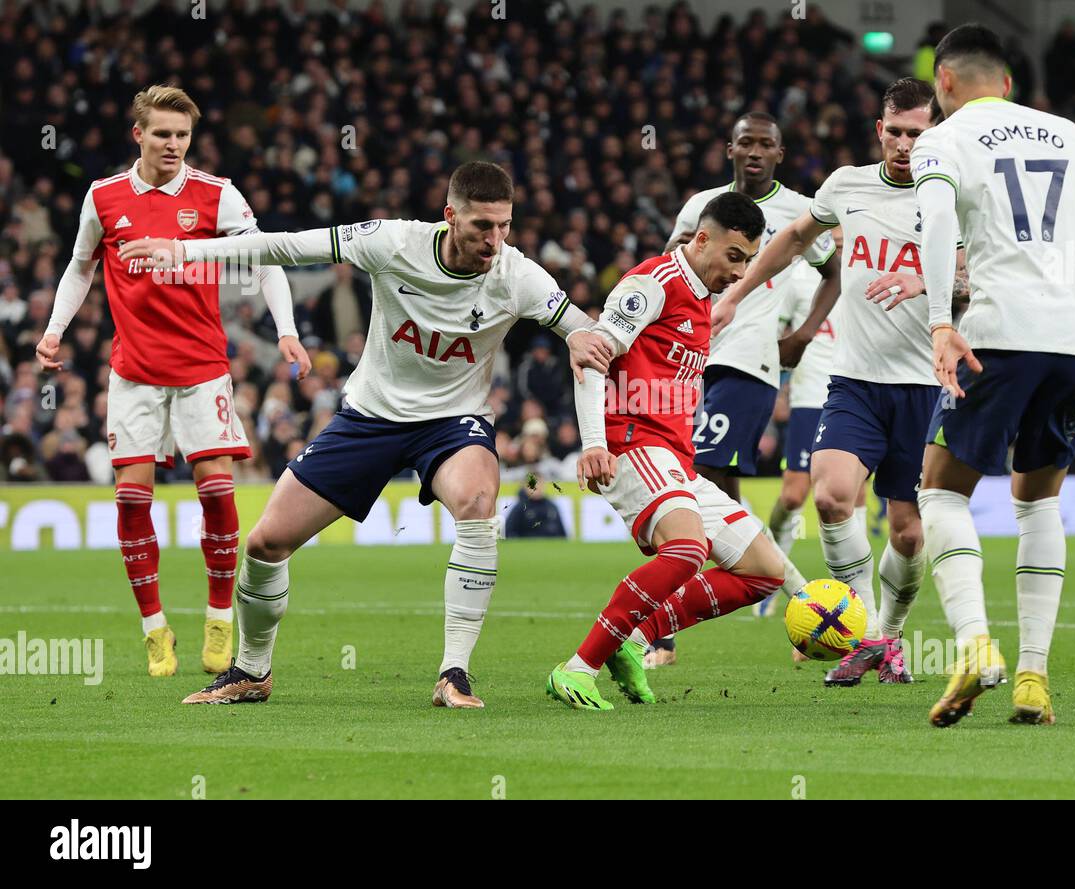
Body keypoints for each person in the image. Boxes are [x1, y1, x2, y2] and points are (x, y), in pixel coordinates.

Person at [121, 162, 611, 708]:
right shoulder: (391, 241)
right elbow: (285, 246)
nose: (494, 241)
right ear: (449, 217)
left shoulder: (518, 277)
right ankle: (252, 672)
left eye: (504, 226)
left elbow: (590, 345)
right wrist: (184, 251)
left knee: (477, 501)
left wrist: (593, 433)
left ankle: (455, 674)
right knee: (265, 543)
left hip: (451, 425)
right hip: (369, 418)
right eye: (481, 227)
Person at [910, 24, 1075, 726]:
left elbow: (934, 223)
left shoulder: (944, 139)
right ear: (1010, 83)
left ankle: (974, 646)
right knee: (1037, 500)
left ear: (945, 83)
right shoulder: (1068, 135)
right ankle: (1033, 678)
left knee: (940, 492)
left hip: (998, 331)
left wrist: (939, 320)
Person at [37, 85, 306, 678]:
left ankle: (217, 616)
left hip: (202, 368)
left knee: (216, 491)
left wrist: (286, 330)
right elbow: (80, 267)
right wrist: (56, 330)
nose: (173, 145)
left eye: (182, 135)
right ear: (139, 134)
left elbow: (264, 260)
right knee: (133, 500)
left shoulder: (216, 195)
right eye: (162, 134)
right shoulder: (103, 197)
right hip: (134, 373)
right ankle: (154, 629)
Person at [714, 78, 966, 686]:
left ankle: (890, 637)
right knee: (828, 495)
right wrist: (739, 291)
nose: (905, 144)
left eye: (918, 133)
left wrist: (926, 285)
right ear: (880, 130)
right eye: (897, 132)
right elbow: (796, 238)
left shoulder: (954, 197)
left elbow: (978, 279)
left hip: (924, 386)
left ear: (935, 134)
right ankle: (860, 631)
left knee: (908, 530)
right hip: (853, 379)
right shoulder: (846, 185)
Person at [545, 193, 790, 711]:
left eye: (748, 259)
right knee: (686, 548)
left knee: (762, 571)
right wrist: (593, 444)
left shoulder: (702, 297)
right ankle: (577, 668)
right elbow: (592, 358)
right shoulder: (652, 285)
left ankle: (633, 642)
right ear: (702, 239)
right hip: (630, 443)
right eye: (734, 256)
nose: (741, 271)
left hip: (674, 455)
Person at [649, 111, 839, 667]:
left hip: (746, 364)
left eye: (766, 145)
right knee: (703, 493)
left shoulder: (801, 212)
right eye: (745, 143)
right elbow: (667, 268)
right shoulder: (700, 206)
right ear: (729, 148)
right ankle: (796, 595)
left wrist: (802, 335)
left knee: (696, 482)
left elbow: (834, 273)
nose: (754, 151)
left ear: (780, 154)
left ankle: (667, 628)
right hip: (688, 359)